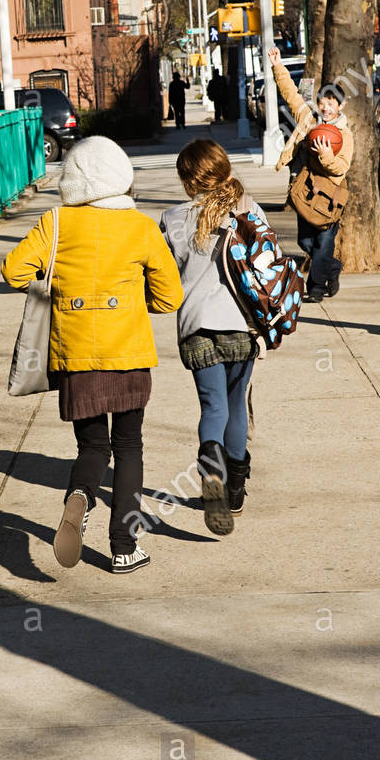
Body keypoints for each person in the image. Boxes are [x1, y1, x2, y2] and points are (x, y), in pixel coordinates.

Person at [1, 136, 183, 574]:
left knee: (92, 445)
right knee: (130, 446)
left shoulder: (56, 223)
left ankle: (79, 496)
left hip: (75, 355)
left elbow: (13, 272)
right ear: (121, 176)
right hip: (128, 354)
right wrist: (138, 302)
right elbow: (170, 297)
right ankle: (123, 546)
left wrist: (57, 283)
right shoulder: (140, 227)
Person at [160, 139, 261, 536]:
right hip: (242, 324)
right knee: (237, 407)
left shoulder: (171, 220)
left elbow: (164, 279)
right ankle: (233, 492)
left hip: (197, 327)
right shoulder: (248, 210)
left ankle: (210, 470)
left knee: (213, 408)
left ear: (188, 181)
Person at [268, 46, 354, 303]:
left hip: (330, 194)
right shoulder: (309, 120)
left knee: (324, 242)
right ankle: (333, 266)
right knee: (306, 242)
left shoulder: (345, 135)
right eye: (322, 102)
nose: (326, 108)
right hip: (305, 191)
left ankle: (315, 288)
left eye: (331, 103)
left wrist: (326, 156)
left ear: (340, 105)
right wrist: (277, 66)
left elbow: (341, 167)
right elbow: (291, 95)